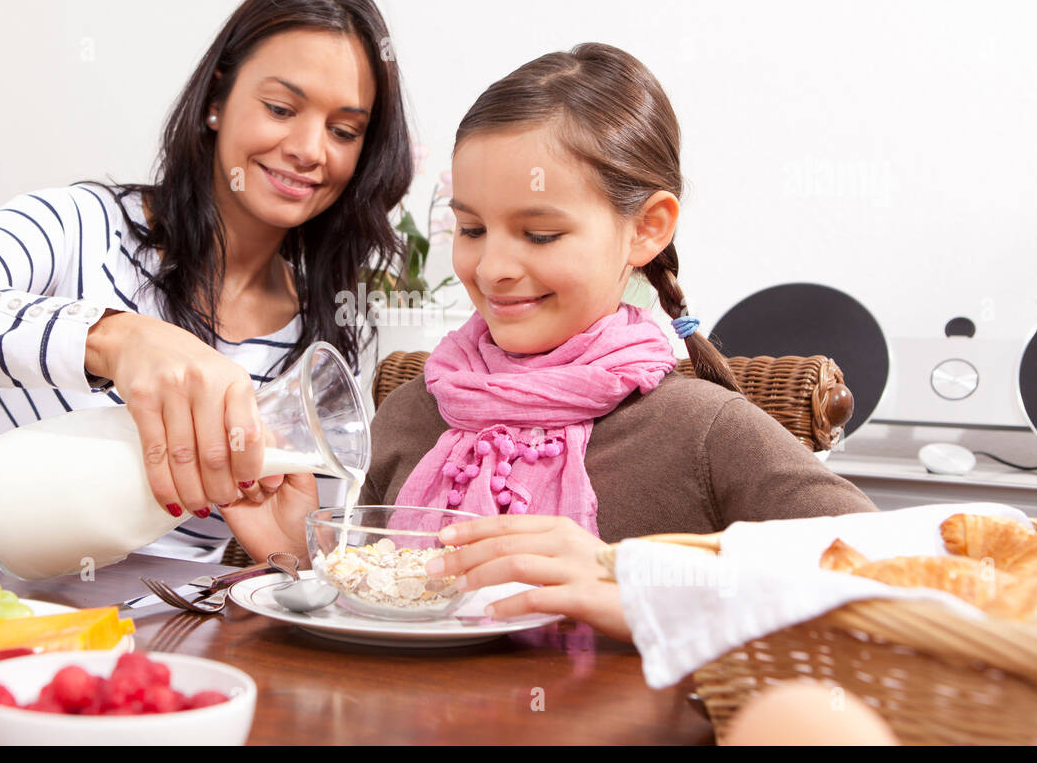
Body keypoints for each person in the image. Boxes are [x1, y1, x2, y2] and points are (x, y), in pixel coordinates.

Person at [224, 43, 875, 637]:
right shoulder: (413, 414)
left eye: (539, 235)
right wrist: (302, 560)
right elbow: (377, 616)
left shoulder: (704, 433)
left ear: (647, 229)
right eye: (472, 229)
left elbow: (889, 573)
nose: (493, 268)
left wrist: (631, 581)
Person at [0, 0, 413, 561]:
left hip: (178, 636)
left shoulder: (321, 333)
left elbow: (307, 554)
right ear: (215, 100)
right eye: (281, 107)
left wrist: (292, 555)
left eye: (344, 130)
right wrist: (115, 338)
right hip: (17, 607)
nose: (312, 149)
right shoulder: (81, 230)